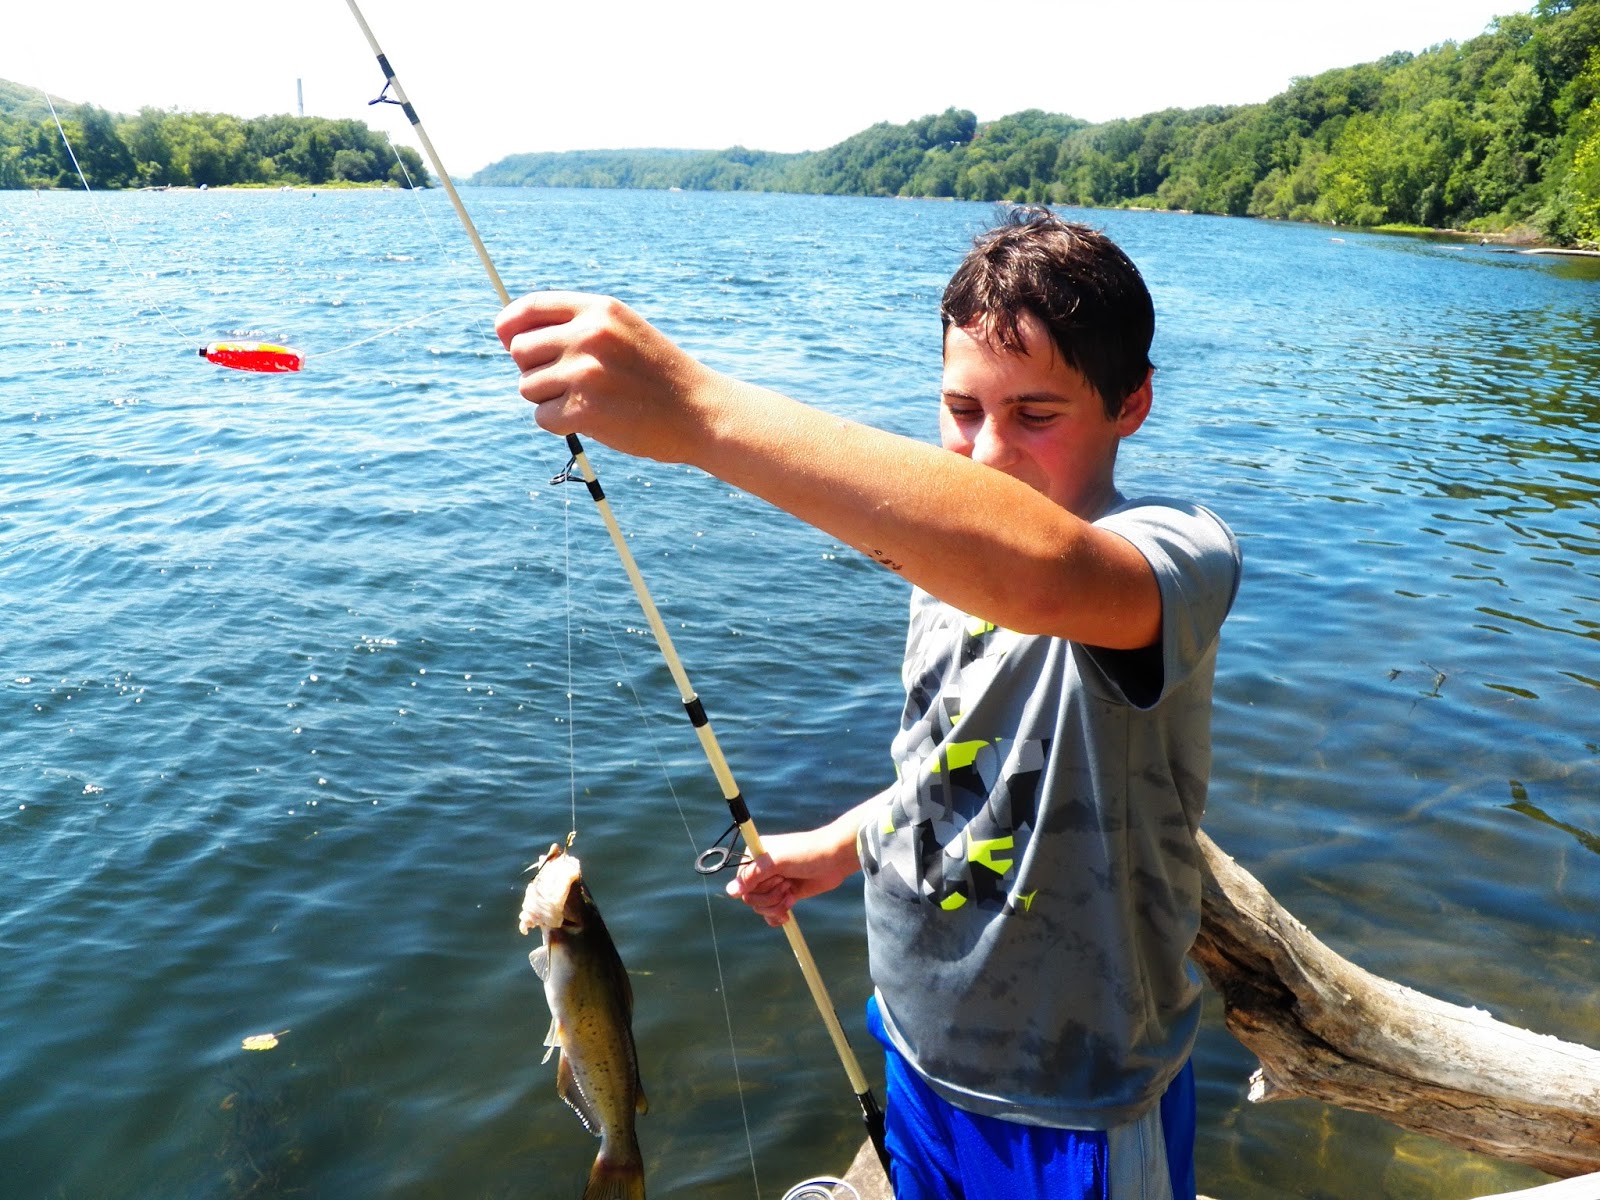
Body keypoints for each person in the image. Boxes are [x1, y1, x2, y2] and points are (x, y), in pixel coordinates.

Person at [496, 207, 1241, 1200]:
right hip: (915, 1043)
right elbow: (946, 771)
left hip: (1071, 1103)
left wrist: (697, 412)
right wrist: (837, 850)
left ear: (1130, 405)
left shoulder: (1173, 555)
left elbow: (1041, 573)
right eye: (961, 409)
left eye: (1035, 416)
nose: (984, 453)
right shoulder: (941, 572)